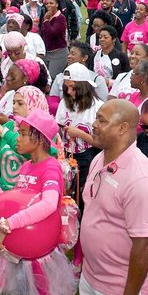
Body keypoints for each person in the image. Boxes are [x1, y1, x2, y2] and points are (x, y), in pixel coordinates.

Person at [0, 108, 79, 295]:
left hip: (40, 255)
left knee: (40, 292)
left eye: (21, 133)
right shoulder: (26, 166)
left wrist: (6, 226)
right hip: (20, 247)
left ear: (38, 138)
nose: (16, 138)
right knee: (23, 291)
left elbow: (48, 204)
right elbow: (14, 203)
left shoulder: (51, 167)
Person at [79, 99, 148, 295]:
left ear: (123, 128)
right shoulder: (101, 158)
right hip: (92, 276)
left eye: (102, 120)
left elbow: (143, 245)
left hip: (121, 288)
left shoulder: (141, 179)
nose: (94, 124)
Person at [56, 62, 105, 197]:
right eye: (66, 87)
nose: (69, 92)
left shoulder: (99, 107)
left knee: (83, 196)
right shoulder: (64, 103)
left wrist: (80, 134)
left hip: (88, 157)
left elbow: (102, 143)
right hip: (65, 156)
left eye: (73, 87)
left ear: (83, 87)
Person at [40, 0, 69, 80]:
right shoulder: (47, 16)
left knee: (53, 77)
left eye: (51, 3)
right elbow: (43, 33)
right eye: (47, 3)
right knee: (45, 77)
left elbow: (52, 33)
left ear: (57, 4)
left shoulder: (60, 18)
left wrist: (46, 21)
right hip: (47, 52)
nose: (48, 5)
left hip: (58, 53)